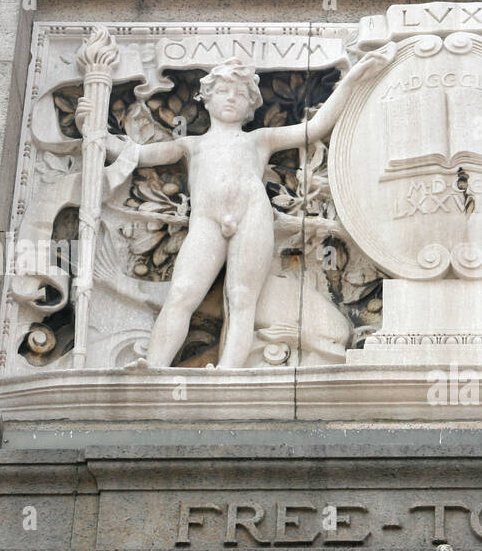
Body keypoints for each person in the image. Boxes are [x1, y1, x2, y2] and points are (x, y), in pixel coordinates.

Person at [106, 46, 394, 368]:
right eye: (223, 91)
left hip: (251, 217)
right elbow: (138, 154)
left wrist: (353, 80)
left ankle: (228, 372)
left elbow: (314, 128)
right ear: (207, 98)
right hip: (208, 221)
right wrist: (95, 133)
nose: (231, 98)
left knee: (243, 299)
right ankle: (155, 367)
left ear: (249, 106)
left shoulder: (258, 140)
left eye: (239, 94)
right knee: (183, 293)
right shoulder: (192, 144)